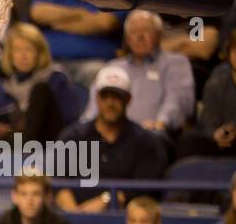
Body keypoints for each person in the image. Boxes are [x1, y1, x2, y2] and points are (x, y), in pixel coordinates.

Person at [55, 66, 169, 213]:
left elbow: (142, 189)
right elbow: (59, 183)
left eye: (116, 96)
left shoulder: (145, 142)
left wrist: (106, 200)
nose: (110, 103)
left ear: (128, 99)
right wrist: (76, 216)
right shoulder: (73, 137)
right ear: (97, 97)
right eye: (105, 96)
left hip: (125, 219)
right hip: (74, 215)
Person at [0, 22, 78, 152]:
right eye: (18, 50)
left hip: (49, 141)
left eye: (28, 49)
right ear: (10, 55)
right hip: (17, 138)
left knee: (40, 90)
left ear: (39, 53)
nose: (23, 55)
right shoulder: (5, 85)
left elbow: (69, 121)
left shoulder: (56, 78)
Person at [81, 10, 194, 136]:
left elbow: (177, 101)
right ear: (127, 39)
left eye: (146, 30)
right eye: (134, 31)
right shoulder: (113, 67)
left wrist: (162, 122)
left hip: (153, 134)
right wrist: (84, 130)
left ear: (158, 34)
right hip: (112, 135)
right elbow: (93, 108)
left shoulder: (175, 63)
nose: (140, 36)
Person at [177, 24, 236, 159]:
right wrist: (216, 134)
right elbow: (208, 123)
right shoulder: (216, 83)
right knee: (189, 140)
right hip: (218, 139)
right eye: (234, 48)